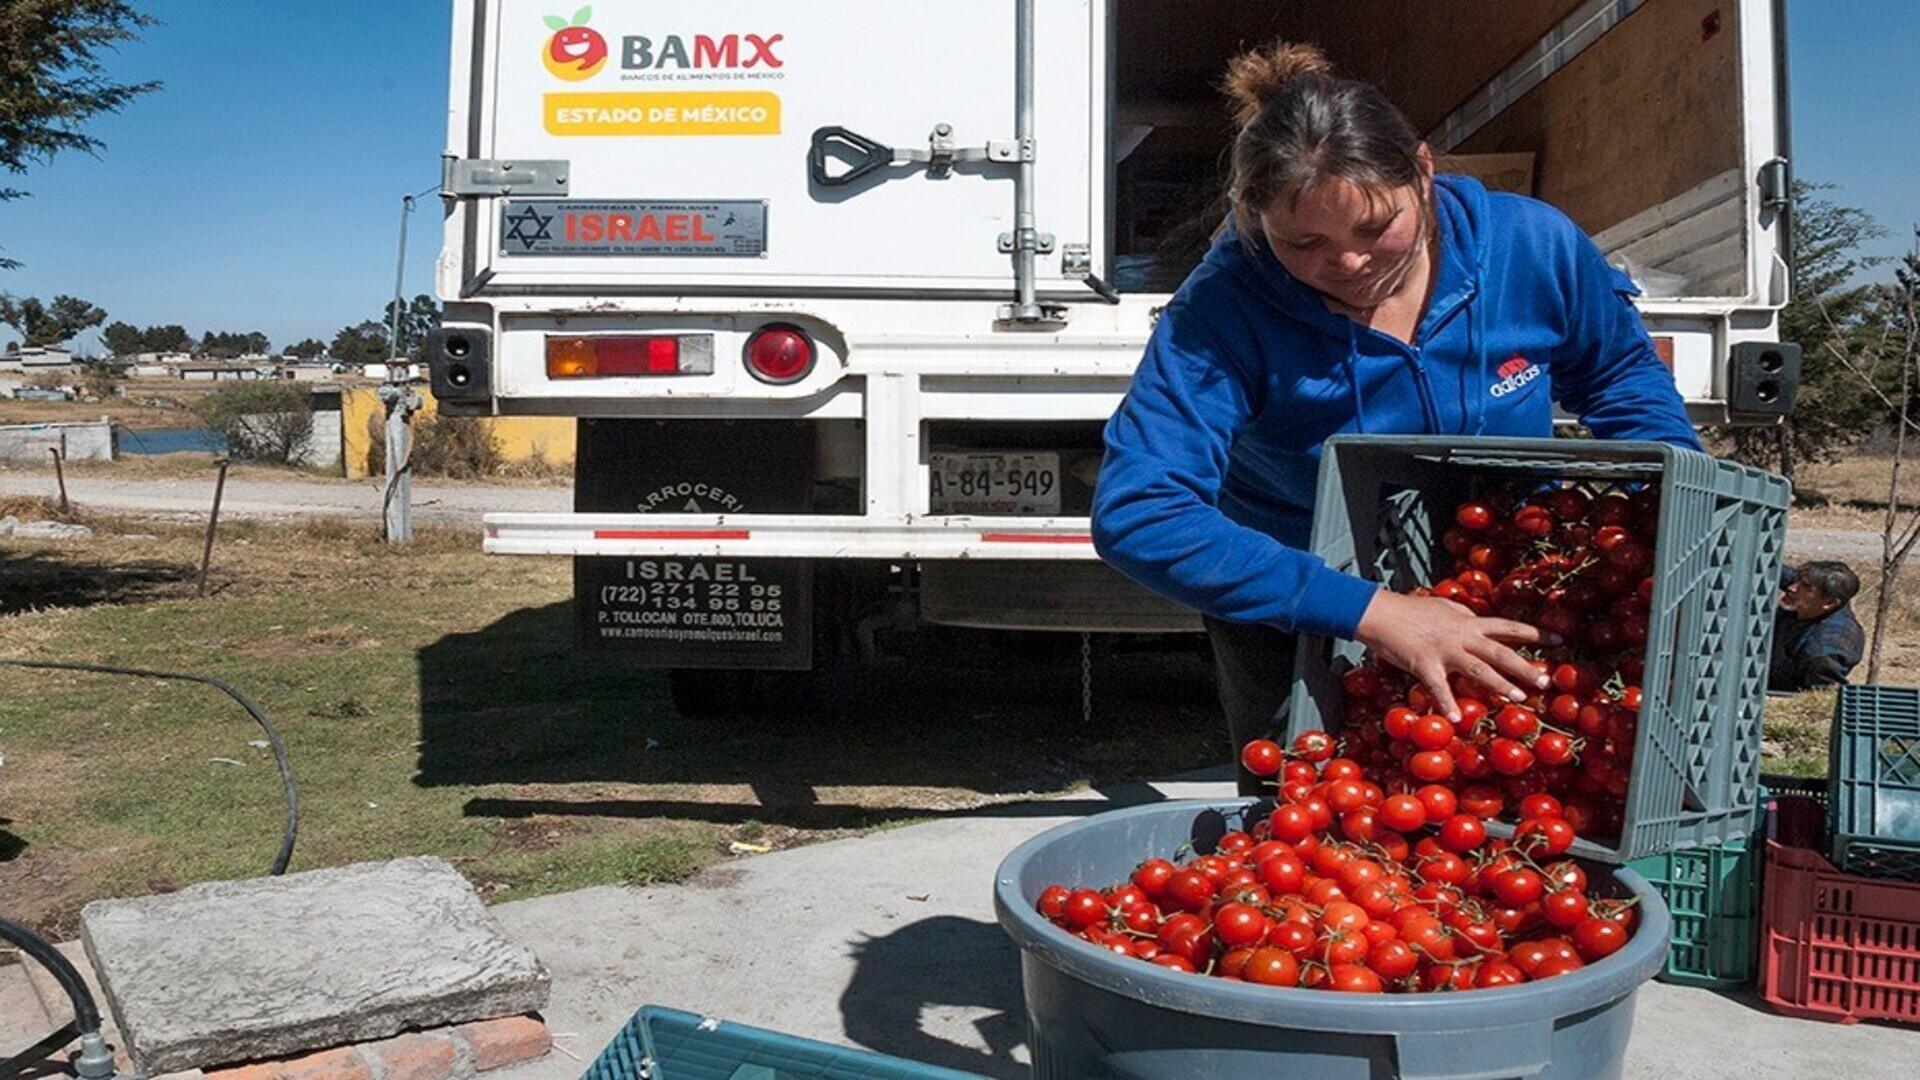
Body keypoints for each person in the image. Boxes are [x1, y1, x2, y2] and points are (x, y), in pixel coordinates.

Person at [1089, 41, 1704, 794]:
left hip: (1510, 584)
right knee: (1319, 824)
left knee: (1525, 798)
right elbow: (1140, 512)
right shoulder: (1222, 311)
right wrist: (1372, 611)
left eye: (1376, 227)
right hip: (1302, 604)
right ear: (1251, 217)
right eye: (1303, 242)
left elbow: (1618, 372)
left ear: (1421, 170)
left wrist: (1670, 502)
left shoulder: (1530, 247)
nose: (1348, 264)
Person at [1770, 561, 1865, 692]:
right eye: (1798, 580)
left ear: (1830, 603)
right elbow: (1770, 567)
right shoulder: (1813, 599)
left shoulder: (1824, 650)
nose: (1791, 587)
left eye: (1805, 586)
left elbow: (1819, 697)